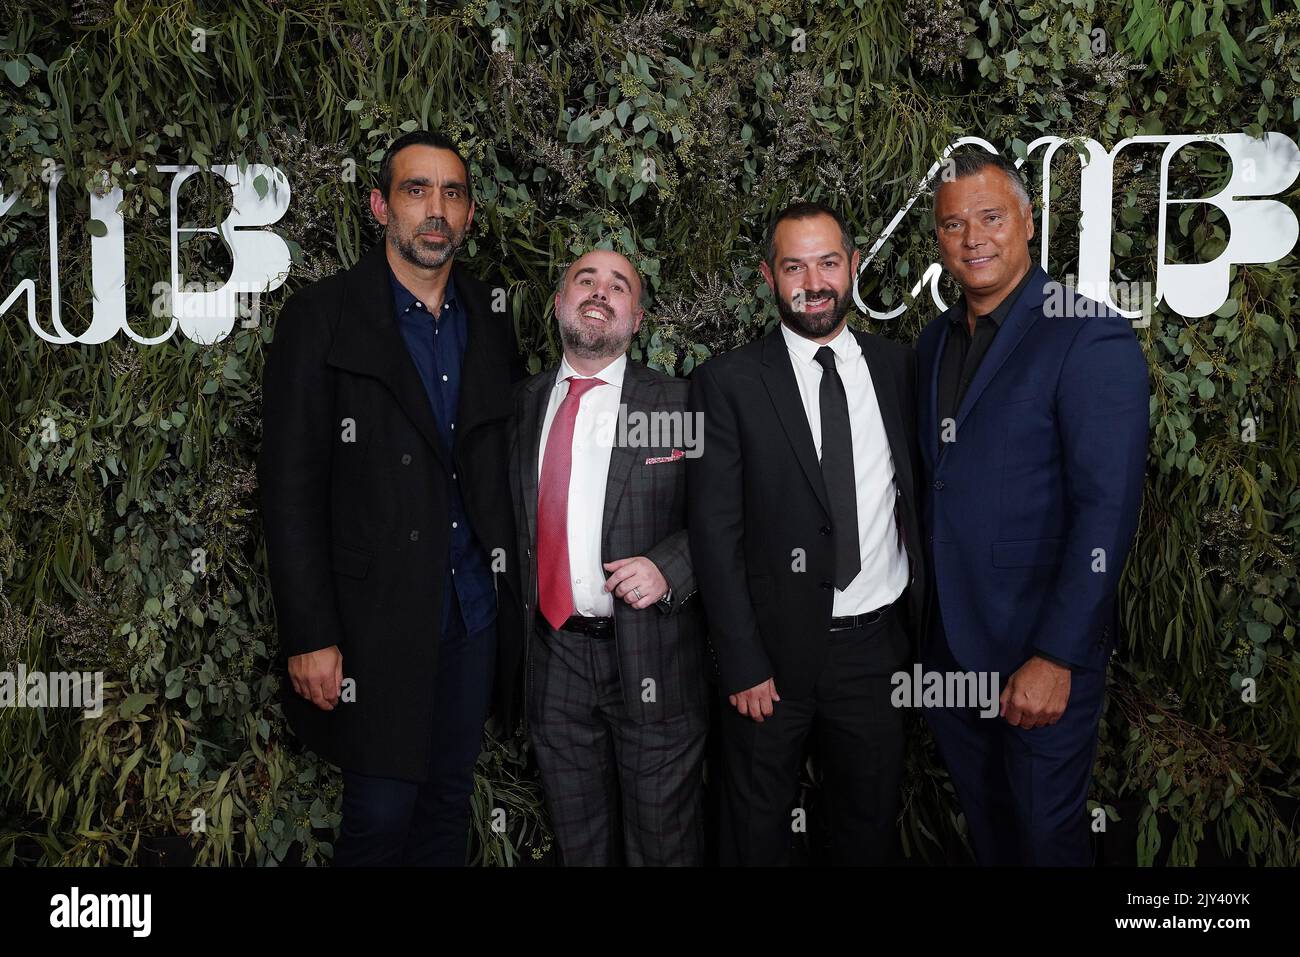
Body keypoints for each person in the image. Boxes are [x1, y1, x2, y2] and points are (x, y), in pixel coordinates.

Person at [258, 130, 524, 866]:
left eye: (452, 193)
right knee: (379, 816)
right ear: (381, 205)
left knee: (445, 810)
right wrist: (309, 633)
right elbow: (290, 487)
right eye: (416, 191)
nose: (435, 210)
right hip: (372, 623)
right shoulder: (324, 317)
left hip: (471, 612)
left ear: (468, 214)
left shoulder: (489, 315)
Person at [916, 149, 1149, 865]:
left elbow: (1106, 509)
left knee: (1045, 837)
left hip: (1038, 653)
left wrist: (1056, 653)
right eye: (954, 224)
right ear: (939, 240)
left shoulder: (1086, 332)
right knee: (990, 833)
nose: (973, 238)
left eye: (990, 216)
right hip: (952, 651)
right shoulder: (933, 342)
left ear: (1027, 218)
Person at [688, 202, 925, 865]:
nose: (812, 282)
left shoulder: (901, 369)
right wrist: (741, 659)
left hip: (875, 653)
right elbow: (714, 530)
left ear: (852, 266)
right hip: (770, 659)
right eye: (794, 266)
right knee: (754, 834)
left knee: (865, 830)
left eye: (827, 262)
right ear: (769, 276)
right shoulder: (728, 382)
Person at [509, 249, 708, 865]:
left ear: (637, 318)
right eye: (585, 280)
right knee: (581, 845)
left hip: (653, 660)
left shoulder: (675, 404)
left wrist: (670, 567)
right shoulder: (522, 404)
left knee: (662, 847)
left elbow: (728, 519)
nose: (601, 292)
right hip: (555, 659)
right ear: (560, 302)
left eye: (619, 286)